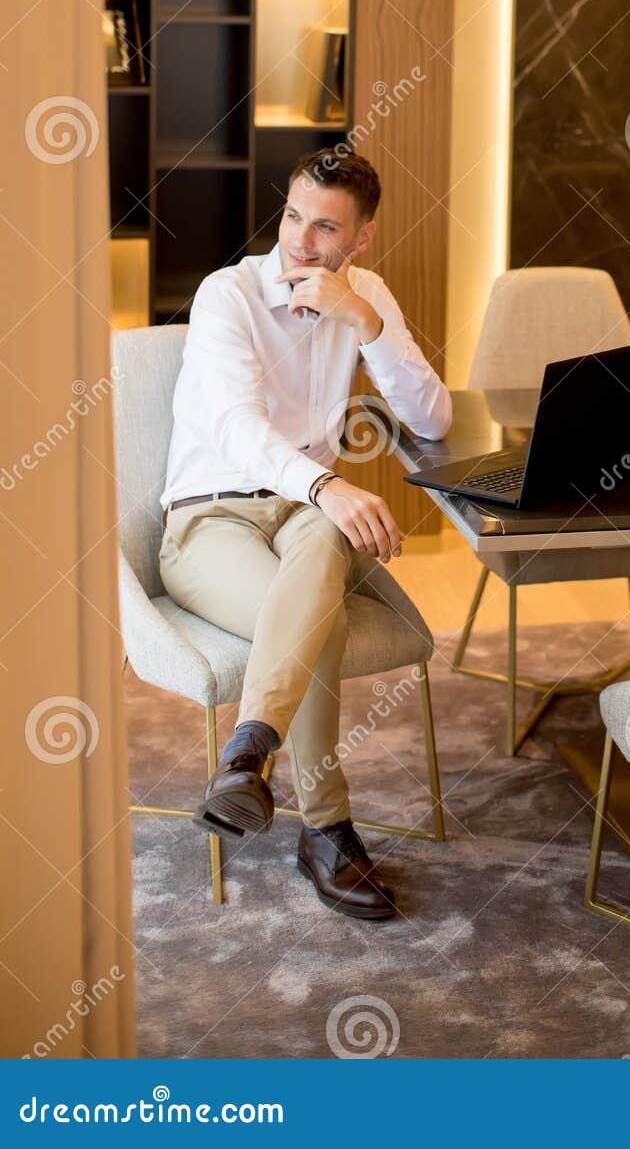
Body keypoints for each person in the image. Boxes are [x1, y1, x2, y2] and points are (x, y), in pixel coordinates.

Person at [158, 147, 451, 920]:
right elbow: (236, 426)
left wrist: (367, 322)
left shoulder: (367, 293)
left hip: (305, 524)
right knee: (314, 616)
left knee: (319, 552)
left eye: (325, 228)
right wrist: (325, 482)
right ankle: (326, 827)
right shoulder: (229, 295)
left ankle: (247, 756)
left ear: (361, 240)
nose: (300, 241)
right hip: (209, 518)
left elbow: (432, 418)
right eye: (293, 216)